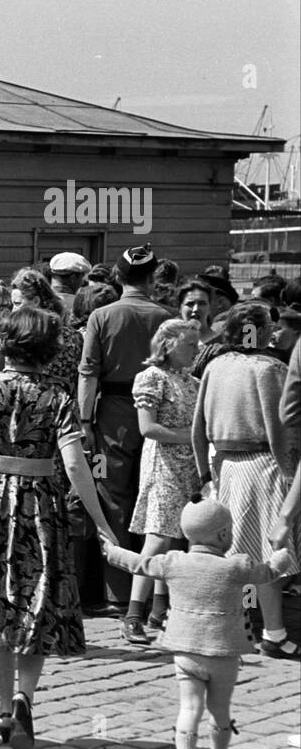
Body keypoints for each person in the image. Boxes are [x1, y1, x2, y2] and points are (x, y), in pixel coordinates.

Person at [0, 307, 117, 749]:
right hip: (41, 504)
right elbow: (74, 464)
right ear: (50, 349)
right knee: (39, 601)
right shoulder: (57, 396)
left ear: (6, 343)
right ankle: (24, 698)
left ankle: (1, 706)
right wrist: (100, 522)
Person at [104, 497, 297, 749]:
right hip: (223, 653)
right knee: (219, 709)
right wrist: (282, 557)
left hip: (186, 651)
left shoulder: (173, 562)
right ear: (223, 534)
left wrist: (111, 550)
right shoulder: (237, 566)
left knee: (189, 708)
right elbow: (268, 573)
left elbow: (139, 563)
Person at [191, 302, 299, 658]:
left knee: (236, 553)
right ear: (258, 330)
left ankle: (241, 625)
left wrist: (205, 472)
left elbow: (197, 429)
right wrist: (290, 471)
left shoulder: (215, 366)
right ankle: (274, 633)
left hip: (223, 466)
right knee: (268, 556)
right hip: (263, 465)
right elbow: (281, 426)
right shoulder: (270, 369)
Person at [77, 245, 175, 615]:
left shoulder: (101, 316)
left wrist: (85, 421)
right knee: (156, 496)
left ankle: (116, 589)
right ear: (152, 279)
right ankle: (152, 592)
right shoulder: (167, 317)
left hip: (113, 416)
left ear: (118, 278)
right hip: (158, 414)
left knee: (111, 494)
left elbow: (89, 371)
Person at [119, 319, 204, 645]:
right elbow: (147, 428)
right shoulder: (152, 377)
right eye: (189, 344)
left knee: (175, 540)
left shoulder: (192, 381)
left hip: (189, 467)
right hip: (163, 466)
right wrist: (192, 437)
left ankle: (159, 610)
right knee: (157, 539)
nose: (195, 350)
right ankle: (133, 615)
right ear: (168, 345)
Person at [10, 267, 79, 386]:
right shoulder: (72, 334)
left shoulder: (37, 336)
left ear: (36, 301)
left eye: (17, 304)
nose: (13, 311)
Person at [48, 253, 90, 318]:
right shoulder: (82, 306)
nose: (82, 283)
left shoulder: (40, 301)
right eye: (82, 278)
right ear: (72, 278)